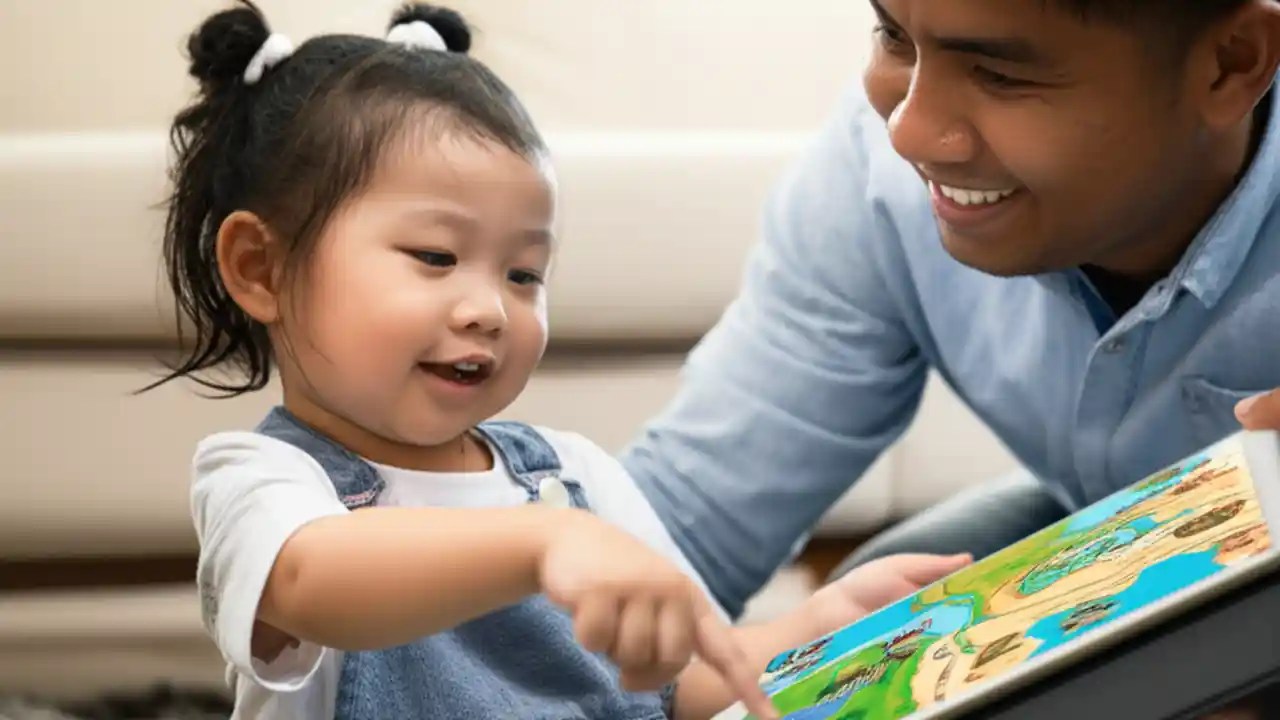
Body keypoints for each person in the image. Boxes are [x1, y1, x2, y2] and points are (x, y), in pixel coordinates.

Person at [148, 3, 972, 719]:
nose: (487, 308)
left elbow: (674, 687)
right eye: (435, 257)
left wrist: (814, 635)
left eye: (523, 274)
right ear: (261, 267)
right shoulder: (264, 482)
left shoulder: (574, 477)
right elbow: (310, 585)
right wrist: (541, 544)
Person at [622, 0, 1280, 619]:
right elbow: (686, 522)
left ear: (1232, 63)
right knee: (885, 614)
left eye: (997, 73)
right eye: (893, 36)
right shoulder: (872, 172)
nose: (908, 132)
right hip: (1119, 519)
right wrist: (539, 558)